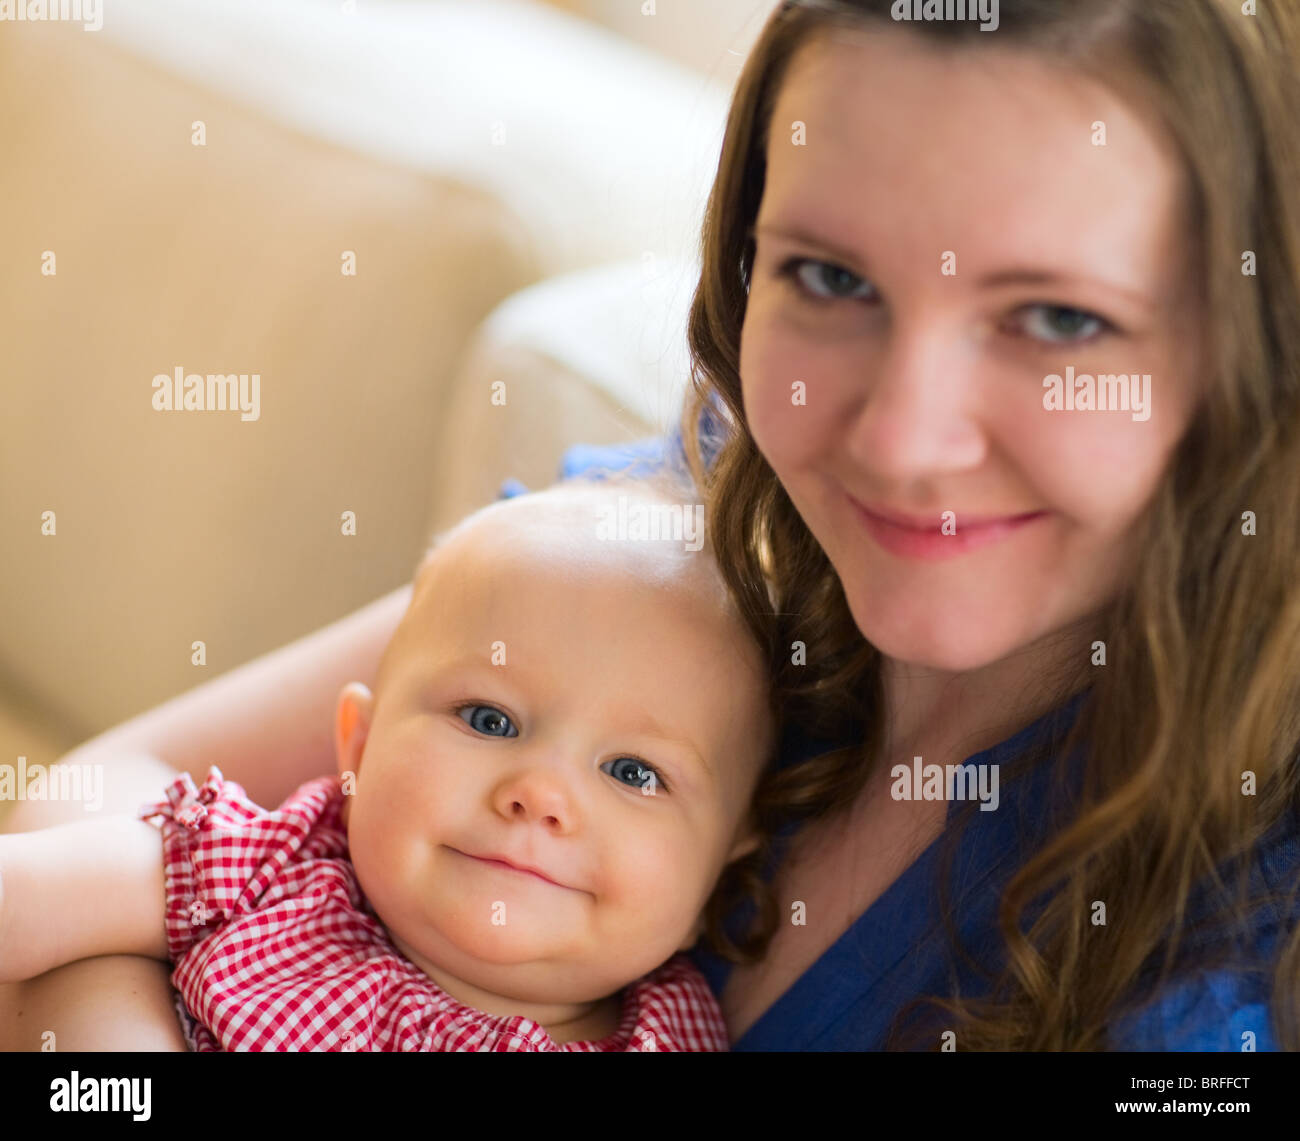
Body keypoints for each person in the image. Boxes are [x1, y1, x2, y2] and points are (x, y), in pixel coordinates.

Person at [2, 0, 1297, 1051]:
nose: (900, 438)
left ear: (1251, 351)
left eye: (1058, 319)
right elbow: (103, 799)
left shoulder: (1245, 926)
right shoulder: (690, 536)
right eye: (830, 278)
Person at [0, 476, 776, 1050]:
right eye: (488, 718)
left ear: (724, 856)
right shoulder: (270, 868)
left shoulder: (676, 1037)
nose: (540, 793)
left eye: (635, 772)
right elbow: (30, 894)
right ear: (360, 746)